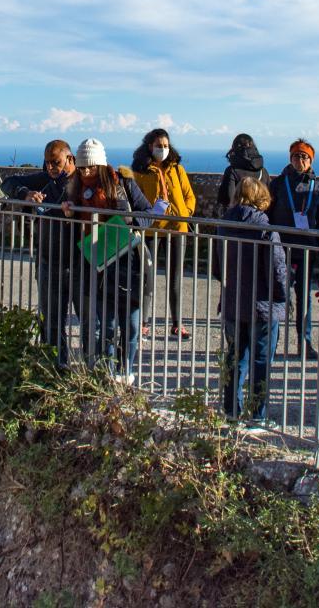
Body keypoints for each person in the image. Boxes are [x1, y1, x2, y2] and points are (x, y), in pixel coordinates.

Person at [62, 138, 150, 381]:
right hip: (95, 261)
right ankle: (107, 374)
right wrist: (68, 211)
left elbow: (148, 212)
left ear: (100, 165)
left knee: (131, 324)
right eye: (82, 168)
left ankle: (127, 372)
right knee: (107, 324)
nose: (86, 172)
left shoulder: (123, 182)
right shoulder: (73, 187)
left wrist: (130, 222)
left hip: (126, 259)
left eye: (90, 167)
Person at [212, 177, 288, 422]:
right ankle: (258, 415)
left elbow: (216, 267)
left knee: (235, 356)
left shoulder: (222, 226)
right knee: (262, 360)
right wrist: (283, 296)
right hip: (262, 304)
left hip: (234, 301)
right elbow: (277, 270)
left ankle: (231, 411)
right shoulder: (266, 229)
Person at [4, 140, 79, 362]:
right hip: (48, 259)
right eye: (46, 163)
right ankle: (57, 367)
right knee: (50, 321)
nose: (50, 168)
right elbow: (9, 182)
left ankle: (92, 373)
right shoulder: (46, 178)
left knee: (89, 322)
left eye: (55, 162)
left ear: (70, 159)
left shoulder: (83, 181)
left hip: (78, 262)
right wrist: (25, 193)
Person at [267, 139, 319, 360]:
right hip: (280, 250)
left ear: (311, 160)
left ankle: (304, 343)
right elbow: (266, 214)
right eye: (296, 156)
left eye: (304, 157)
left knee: (303, 299)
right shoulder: (277, 185)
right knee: (276, 295)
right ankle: (272, 342)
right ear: (290, 158)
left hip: (307, 250)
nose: (300, 160)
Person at [130, 128, 197, 340]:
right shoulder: (140, 172)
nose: (163, 149)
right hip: (150, 230)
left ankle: (177, 323)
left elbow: (189, 196)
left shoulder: (177, 169)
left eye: (166, 145)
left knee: (176, 278)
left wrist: (184, 214)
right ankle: (143, 323)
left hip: (177, 230)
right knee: (146, 278)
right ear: (150, 146)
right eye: (159, 145)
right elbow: (134, 201)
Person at [216, 133, 271, 208]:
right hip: (260, 216)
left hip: (238, 216)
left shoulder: (232, 171)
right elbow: (269, 197)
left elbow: (227, 199)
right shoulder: (263, 171)